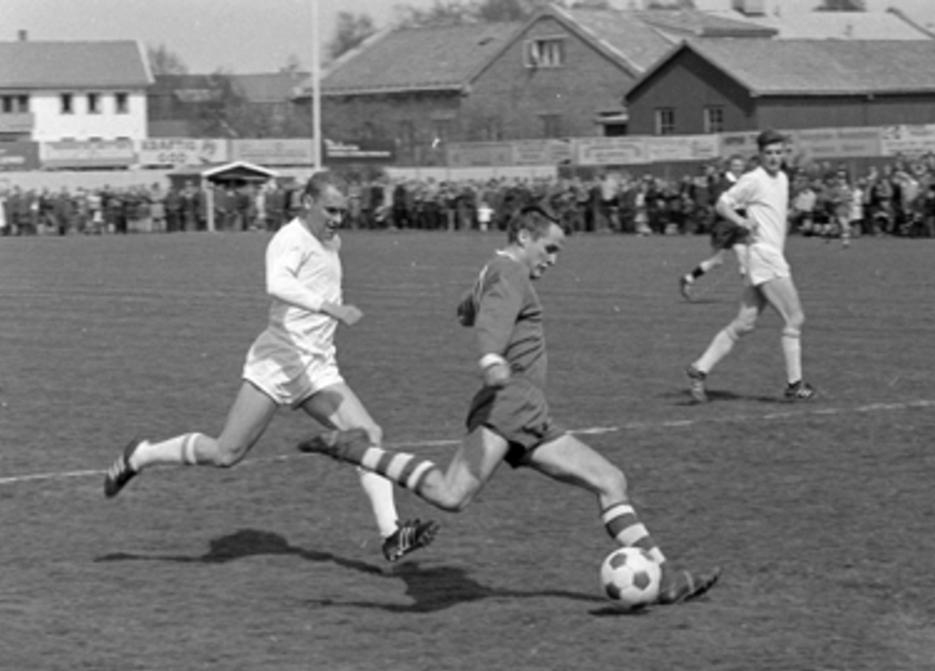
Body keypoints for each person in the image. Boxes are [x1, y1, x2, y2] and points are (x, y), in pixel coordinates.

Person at [298, 205, 719, 606]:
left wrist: (474, 312)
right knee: (451, 494)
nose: (553, 259)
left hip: (531, 414)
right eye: (549, 248)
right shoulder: (511, 271)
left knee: (610, 480)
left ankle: (665, 576)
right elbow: (492, 319)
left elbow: (469, 310)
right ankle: (354, 450)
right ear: (523, 237)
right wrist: (491, 357)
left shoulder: (495, 269)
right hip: (509, 407)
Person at [102, 171, 437, 562]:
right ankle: (141, 455)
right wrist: (329, 307)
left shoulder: (331, 240)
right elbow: (277, 284)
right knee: (226, 453)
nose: (337, 220)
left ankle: (392, 534)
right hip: (278, 362)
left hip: (317, 367)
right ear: (307, 202)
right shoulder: (289, 240)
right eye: (330, 210)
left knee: (367, 434)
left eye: (342, 212)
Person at [685, 129, 816, 404]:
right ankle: (795, 385)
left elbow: (775, 218)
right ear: (760, 155)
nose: (774, 158)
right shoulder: (753, 179)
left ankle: (700, 368)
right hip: (765, 257)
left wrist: (797, 211)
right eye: (769, 153)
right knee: (795, 319)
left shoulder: (782, 178)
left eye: (778, 152)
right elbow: (722, 204)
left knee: (744, 324)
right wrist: (741, 221)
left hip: (767, 256)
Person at [679, 155, 749, 300]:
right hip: (724, 224)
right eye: (735, 165)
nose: (738, 168)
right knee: (717, 261)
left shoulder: (745, 181)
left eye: (740, 165)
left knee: (743, 258)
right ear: (730, 167)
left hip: (739, 223)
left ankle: (751, 295)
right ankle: (688, 278)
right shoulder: (721, 183)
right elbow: (719, 204)